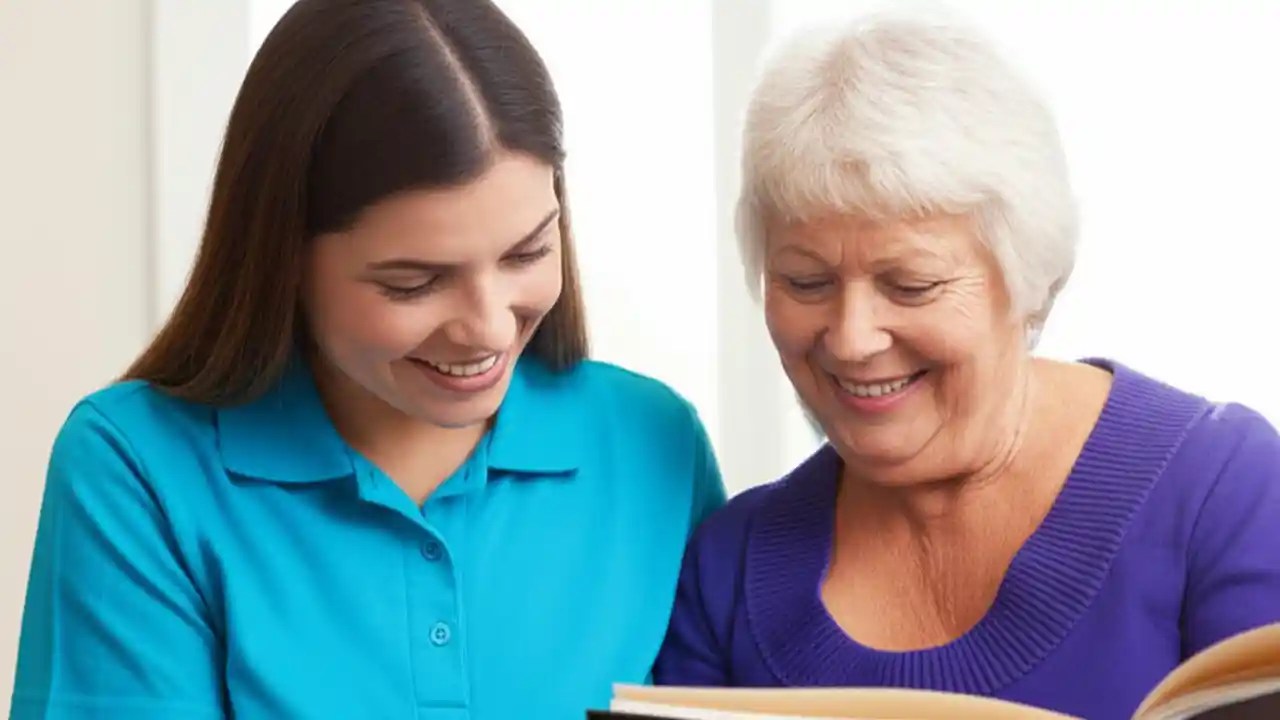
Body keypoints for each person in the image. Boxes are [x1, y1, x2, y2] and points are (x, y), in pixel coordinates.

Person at [10, 1, 724, 718]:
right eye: (414, 283)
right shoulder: (138, 469)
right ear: (281, 257)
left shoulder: (654, 444)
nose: (487, 327)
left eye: (527, 252)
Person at [653, 10, 1280, 720]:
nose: (852, 338)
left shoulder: (1223, 491)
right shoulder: (726, 571)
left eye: (911, 285)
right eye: (805, 282)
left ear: (1028, 274)